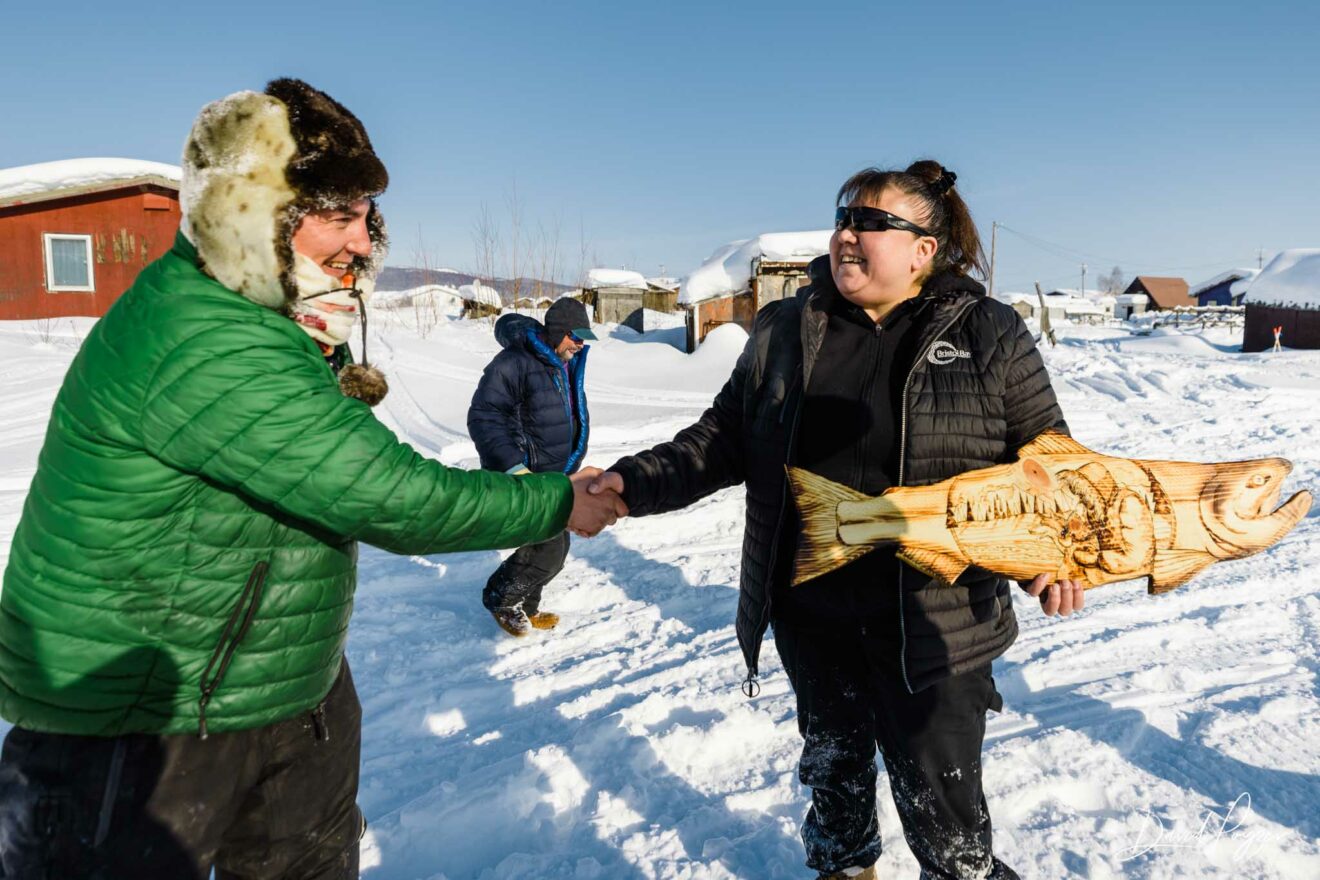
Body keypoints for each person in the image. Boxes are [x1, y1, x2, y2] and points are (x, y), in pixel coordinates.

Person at [0, 78, 623, 880]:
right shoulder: (206, 334)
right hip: (142, 725)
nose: (364, 243)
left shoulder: (279, 323)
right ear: (250, 217)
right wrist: (556, 499)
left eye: (368, 217)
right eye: (338, 215)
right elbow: (389, 495)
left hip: (280, 689)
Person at [588, 161, 1083, 880]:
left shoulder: (988, 333)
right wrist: (630, 484)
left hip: (936, 621)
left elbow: (1053, 467)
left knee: (947, 827)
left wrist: (1058, 551)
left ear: (925, 249)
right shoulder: (789, 327)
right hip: (814, 613)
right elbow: (723, 439)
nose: (848, 234)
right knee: (835, 784)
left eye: (872, 222)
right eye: (845, 217)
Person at [467, 297, 601, 636]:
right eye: (576, 335)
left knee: (555, 545)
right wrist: (514, 467)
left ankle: (527, 605)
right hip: (528, 474)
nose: (581, 343)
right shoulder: (515, 362)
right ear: (557, 331)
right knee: (550, 547)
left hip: (558, 471)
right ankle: (501, 597)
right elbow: (484, 417)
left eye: (585, 335)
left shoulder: (564, 360)